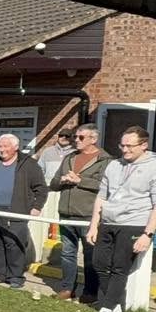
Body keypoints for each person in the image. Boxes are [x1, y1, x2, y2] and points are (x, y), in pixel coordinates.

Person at [87, 126, 156, 312]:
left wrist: (148, 234)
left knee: (120, 267)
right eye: (122, 145)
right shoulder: (114, 165)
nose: (124, 150)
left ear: (144, 145)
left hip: (134, 223)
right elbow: (102, 196)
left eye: (129, 146)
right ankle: (115, 304)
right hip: (108, 221)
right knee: (99, 263)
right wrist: (94, 225)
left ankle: (106, 310)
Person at [0, 134, 47, 289]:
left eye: (6, 146)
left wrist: (37, 206)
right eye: (0, 146)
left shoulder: (28, 164)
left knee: (14, 245)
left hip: (14, 212)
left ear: (16, 147)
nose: (2, 150)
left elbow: (41, 188)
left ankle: (15, 276)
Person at [46, 124, 107, 302]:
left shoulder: (105, 160)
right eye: (76, 137)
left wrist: (80, 180)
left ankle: (90, 292)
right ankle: (67, 288)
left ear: (93, 139)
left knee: (90, 255)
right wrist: (62, 180)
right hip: (66, 213)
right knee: (67, 253)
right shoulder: (69, 157)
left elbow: (105, 186)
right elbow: (54, 183)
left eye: (81, 137)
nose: (76, 140)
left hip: (89, 215)